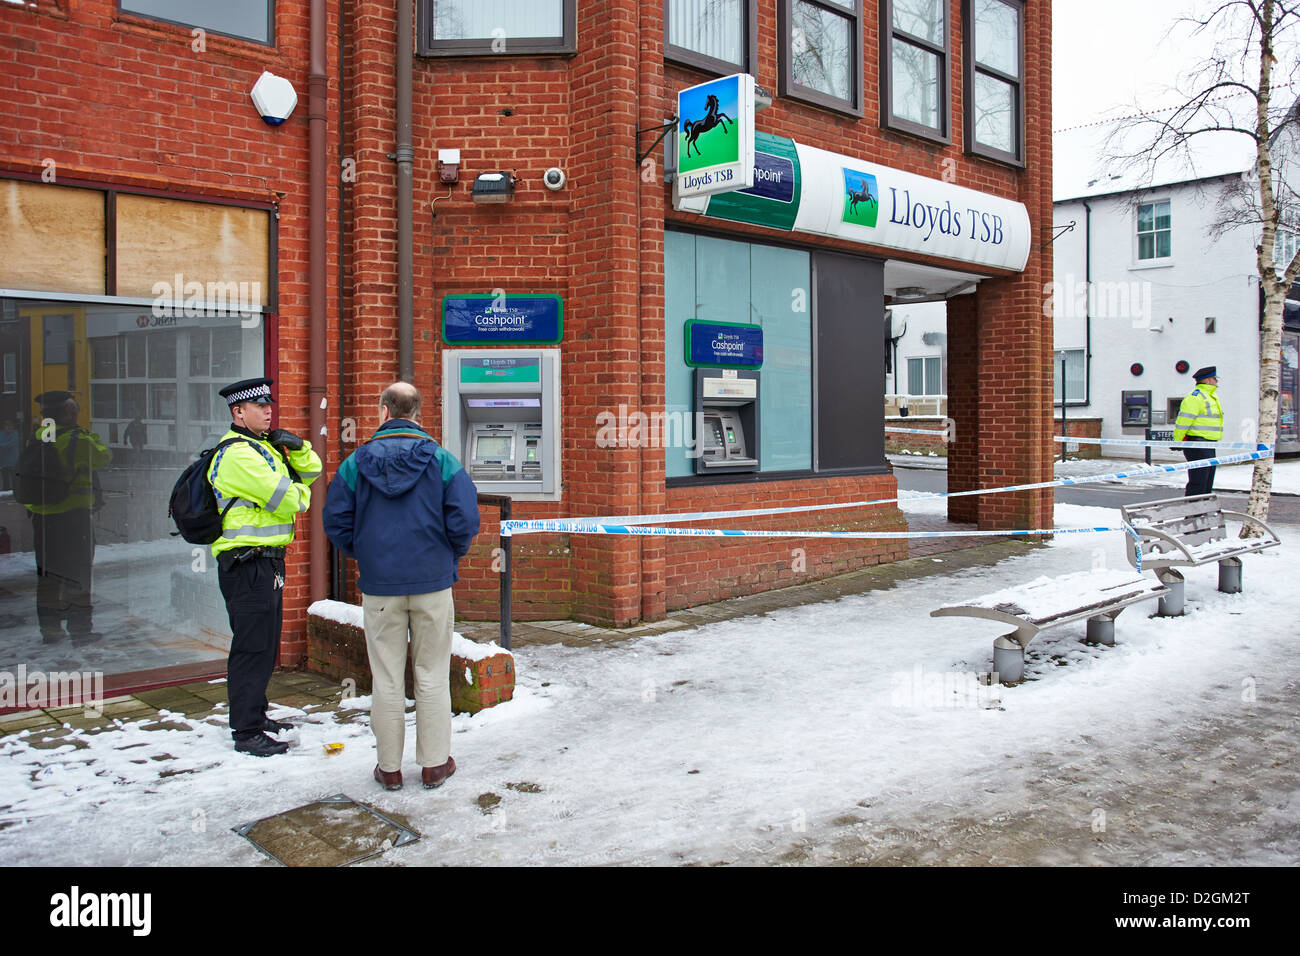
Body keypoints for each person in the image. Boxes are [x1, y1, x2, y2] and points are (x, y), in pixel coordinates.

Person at [322, 382, 480, 791]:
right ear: (417, 413)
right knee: (431, 674)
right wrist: (447, 556)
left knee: (386, 677)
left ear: (383, 412)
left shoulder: (355, 463)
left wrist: (369, 554)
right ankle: (434, 765)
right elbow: (465, 519)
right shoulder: (443, 461)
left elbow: (335, 521)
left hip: (380, 587)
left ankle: (388, 769)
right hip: (432, 584)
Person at [209, 377, 321, 757]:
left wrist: (298, 446)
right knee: (251, 647)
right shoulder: (238, 455)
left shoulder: (263, 448)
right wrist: (298, 490)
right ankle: (245, 730)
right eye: (259, 406)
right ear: (238, 412)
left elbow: (313, 470)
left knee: (265, 644)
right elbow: (293, 499)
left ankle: (256, 714)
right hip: (246, 563)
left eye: (269, 404)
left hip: (266, 561)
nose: (269, 410)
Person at [20, 392, 111, 644]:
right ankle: (80, 630)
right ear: (69, 411)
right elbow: (104, 456)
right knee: (78, 574)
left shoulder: (38, 437)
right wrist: (88, 434)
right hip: (72, 516)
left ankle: (49, 629)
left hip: (42, 518)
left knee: (48, 576)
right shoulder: (78, 439)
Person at [1173, 366, 1223, 497]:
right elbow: (1183, 422)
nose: (1216, 381)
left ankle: (1202, 512)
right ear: (1206, 380)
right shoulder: (1195, 397)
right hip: (1197, 445)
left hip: (1209, 444)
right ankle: (1192, 513)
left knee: (1207, 483)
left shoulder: (1211, 397)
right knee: (1198, 482)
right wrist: (1177, 441)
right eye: (1214, 379)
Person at [0, 419, 18, 491]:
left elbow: (11, 444)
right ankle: (5, 491)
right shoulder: (1, 434)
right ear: (4, 427)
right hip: (4, 460)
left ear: (13, 427)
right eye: (7, 426)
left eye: (10, 426)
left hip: (13, 460)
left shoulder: (15, 434)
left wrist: (2, 445)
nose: (8, 428)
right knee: (5, 478)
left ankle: (15, 491)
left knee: (14, 478)